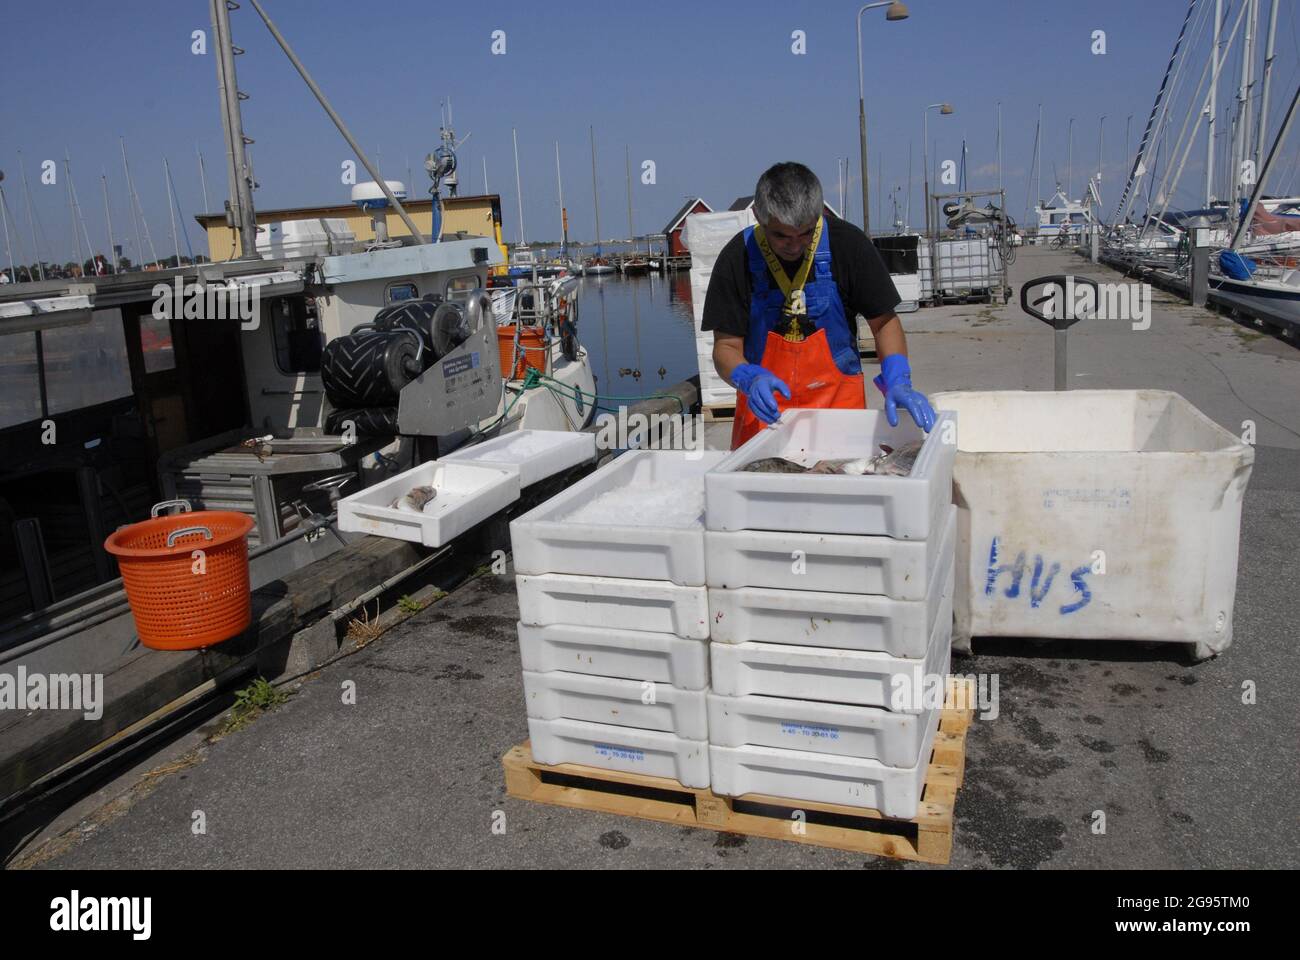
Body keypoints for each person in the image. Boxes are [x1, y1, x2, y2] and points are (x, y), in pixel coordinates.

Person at [703, 162, 935, 449]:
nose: (795, 245)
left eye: (805, 233)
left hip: (839, 415)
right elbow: (725, 348)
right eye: (781, 236)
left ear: (820, 214)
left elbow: (884, 323)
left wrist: (898, 376)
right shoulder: (735, 258)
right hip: (766, 416)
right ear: (758, 217)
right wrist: (747, 377)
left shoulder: (849, 245)